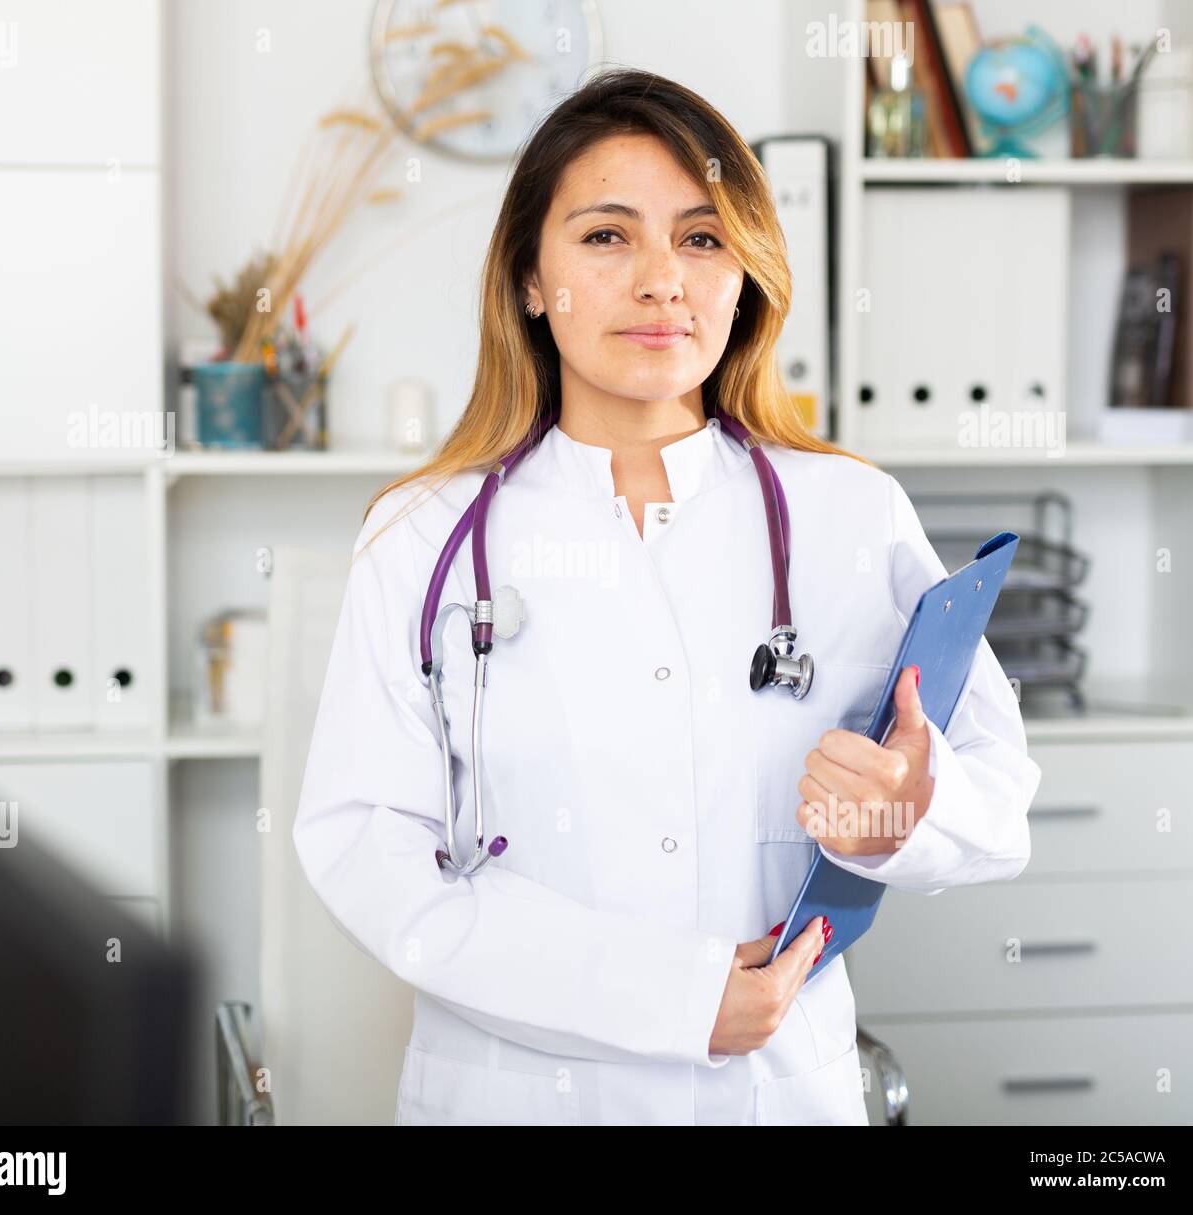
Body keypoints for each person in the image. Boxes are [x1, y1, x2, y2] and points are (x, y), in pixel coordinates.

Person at [293, 67, 1041, 1126]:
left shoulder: (851, 517)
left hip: (776, 1093)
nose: (662, 281)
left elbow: (996, 798)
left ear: (744, 273)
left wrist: (901, 813)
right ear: (528, 279)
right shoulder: (422, 538)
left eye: (701, 238)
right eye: (606, 237)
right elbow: (365, 851)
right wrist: (672, 998)